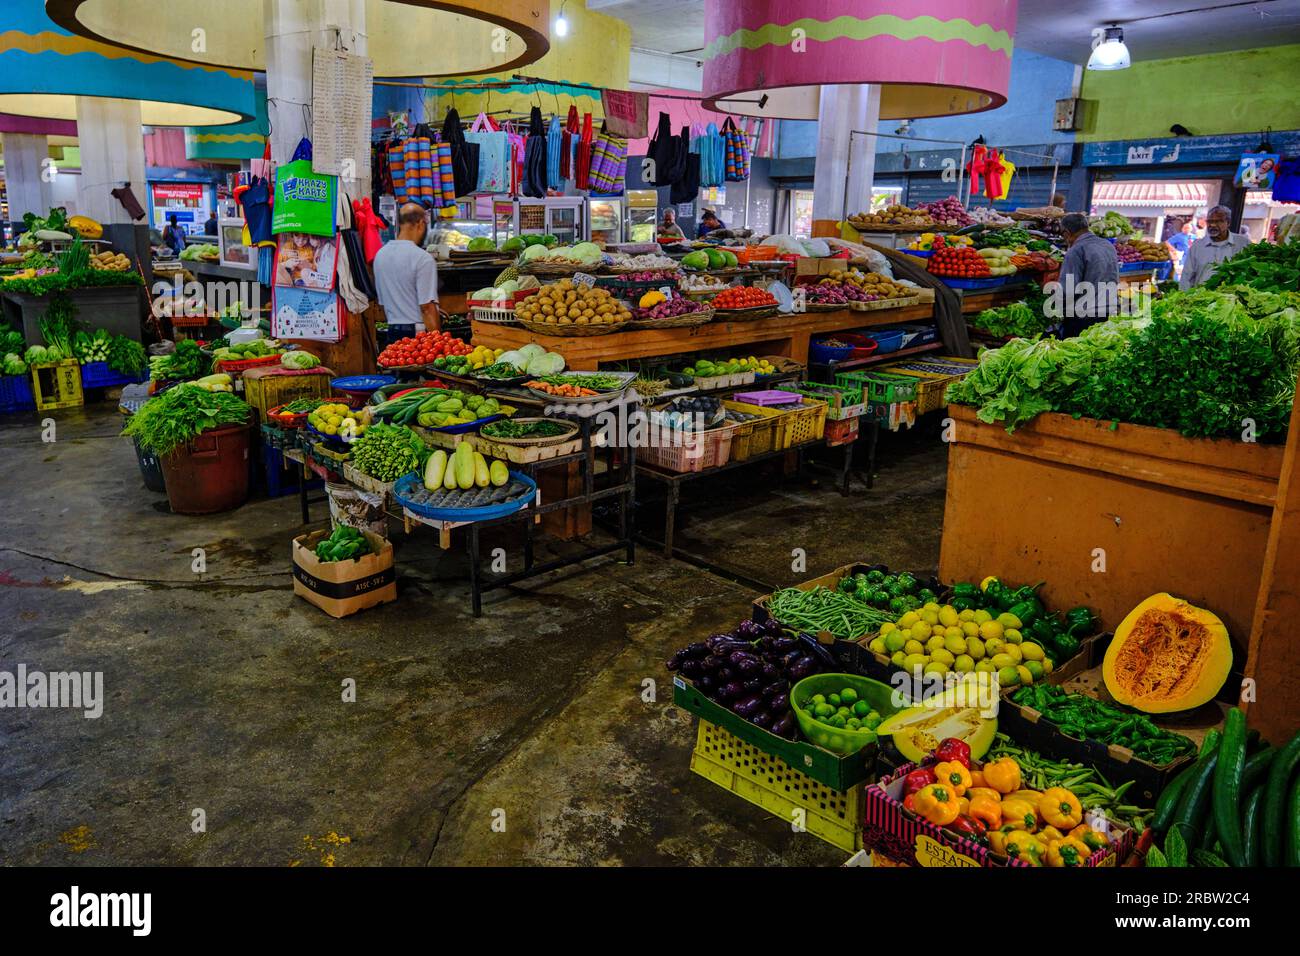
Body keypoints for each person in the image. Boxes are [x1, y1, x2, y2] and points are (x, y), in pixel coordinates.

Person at [373, 202, 440, 333]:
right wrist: (439, 340)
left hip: (392, 330)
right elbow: (426, 308)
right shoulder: (423, 258)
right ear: (420, 224)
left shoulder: (380, 255)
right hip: (417, 332)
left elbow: (384, 302)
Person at [1057, 211, 1119, 336]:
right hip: (1107, 311)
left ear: (1067, 233)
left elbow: (1068, 289)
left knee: (1076, 351)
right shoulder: (1107, 245)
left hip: (1084, 316)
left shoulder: (1076, 250)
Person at [1180, 205, 1251, 289]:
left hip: (1232, 298)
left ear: (1228, 223)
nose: (1212, 225)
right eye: (1210, 221)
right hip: (1200, 298)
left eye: (1218, 221)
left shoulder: (1243, 243)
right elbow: (1186, 277)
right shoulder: (1197, 246)